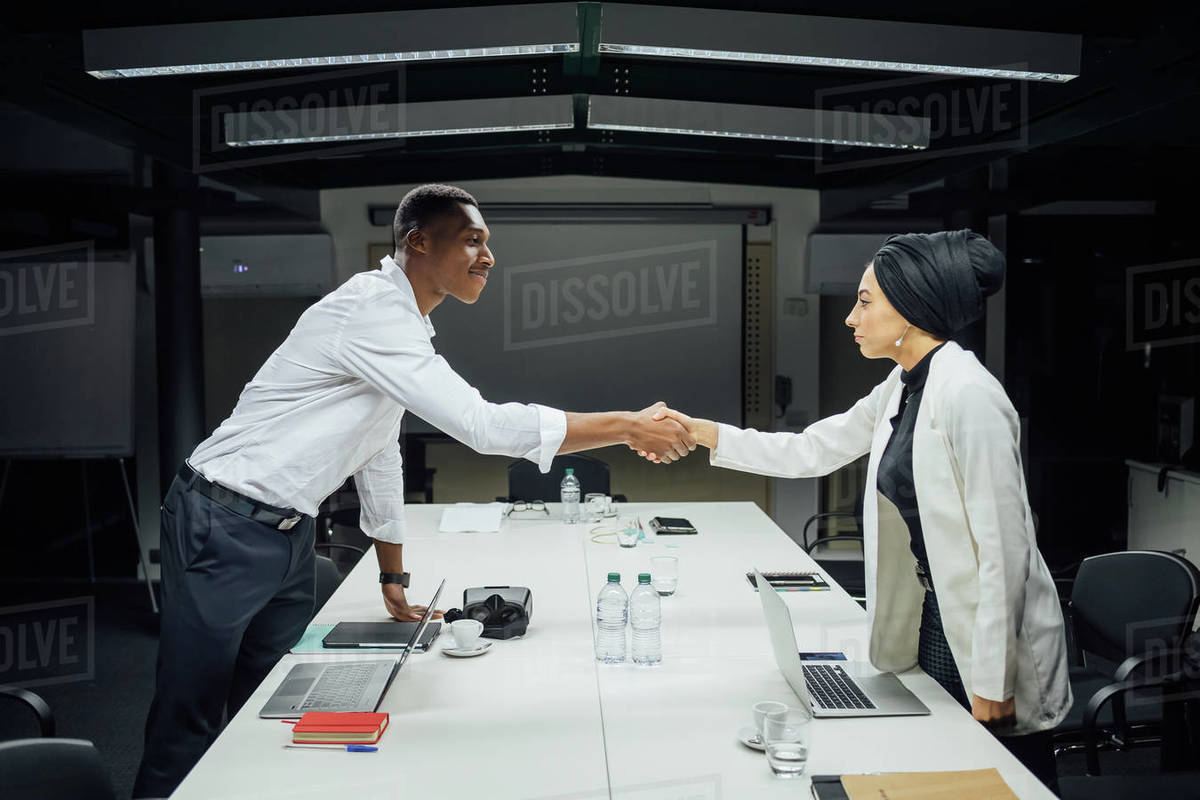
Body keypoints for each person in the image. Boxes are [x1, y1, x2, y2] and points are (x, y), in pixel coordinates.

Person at [132, 184, 694, 798]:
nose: (488, 257)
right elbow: (481, 427)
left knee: (275, 710)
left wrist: (392, 578)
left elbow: (378, 452)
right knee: (188, 720)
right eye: (472, 240)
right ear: (417, 242)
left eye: (488, 244)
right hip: (223, 516)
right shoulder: (371, 312)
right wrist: (624, 426)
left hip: (287, 534)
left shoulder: (407, 327)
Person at [650, 230, 1070, 792]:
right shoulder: (902, 385)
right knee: (944, 776)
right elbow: (810, 450)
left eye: (866, 301)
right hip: (934, 621)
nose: (852, 317)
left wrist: (993, 682)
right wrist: (703, 432)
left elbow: (1005, 552)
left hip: (983, 636)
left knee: (1004, 783)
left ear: (914, 306)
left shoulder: (969, 395)